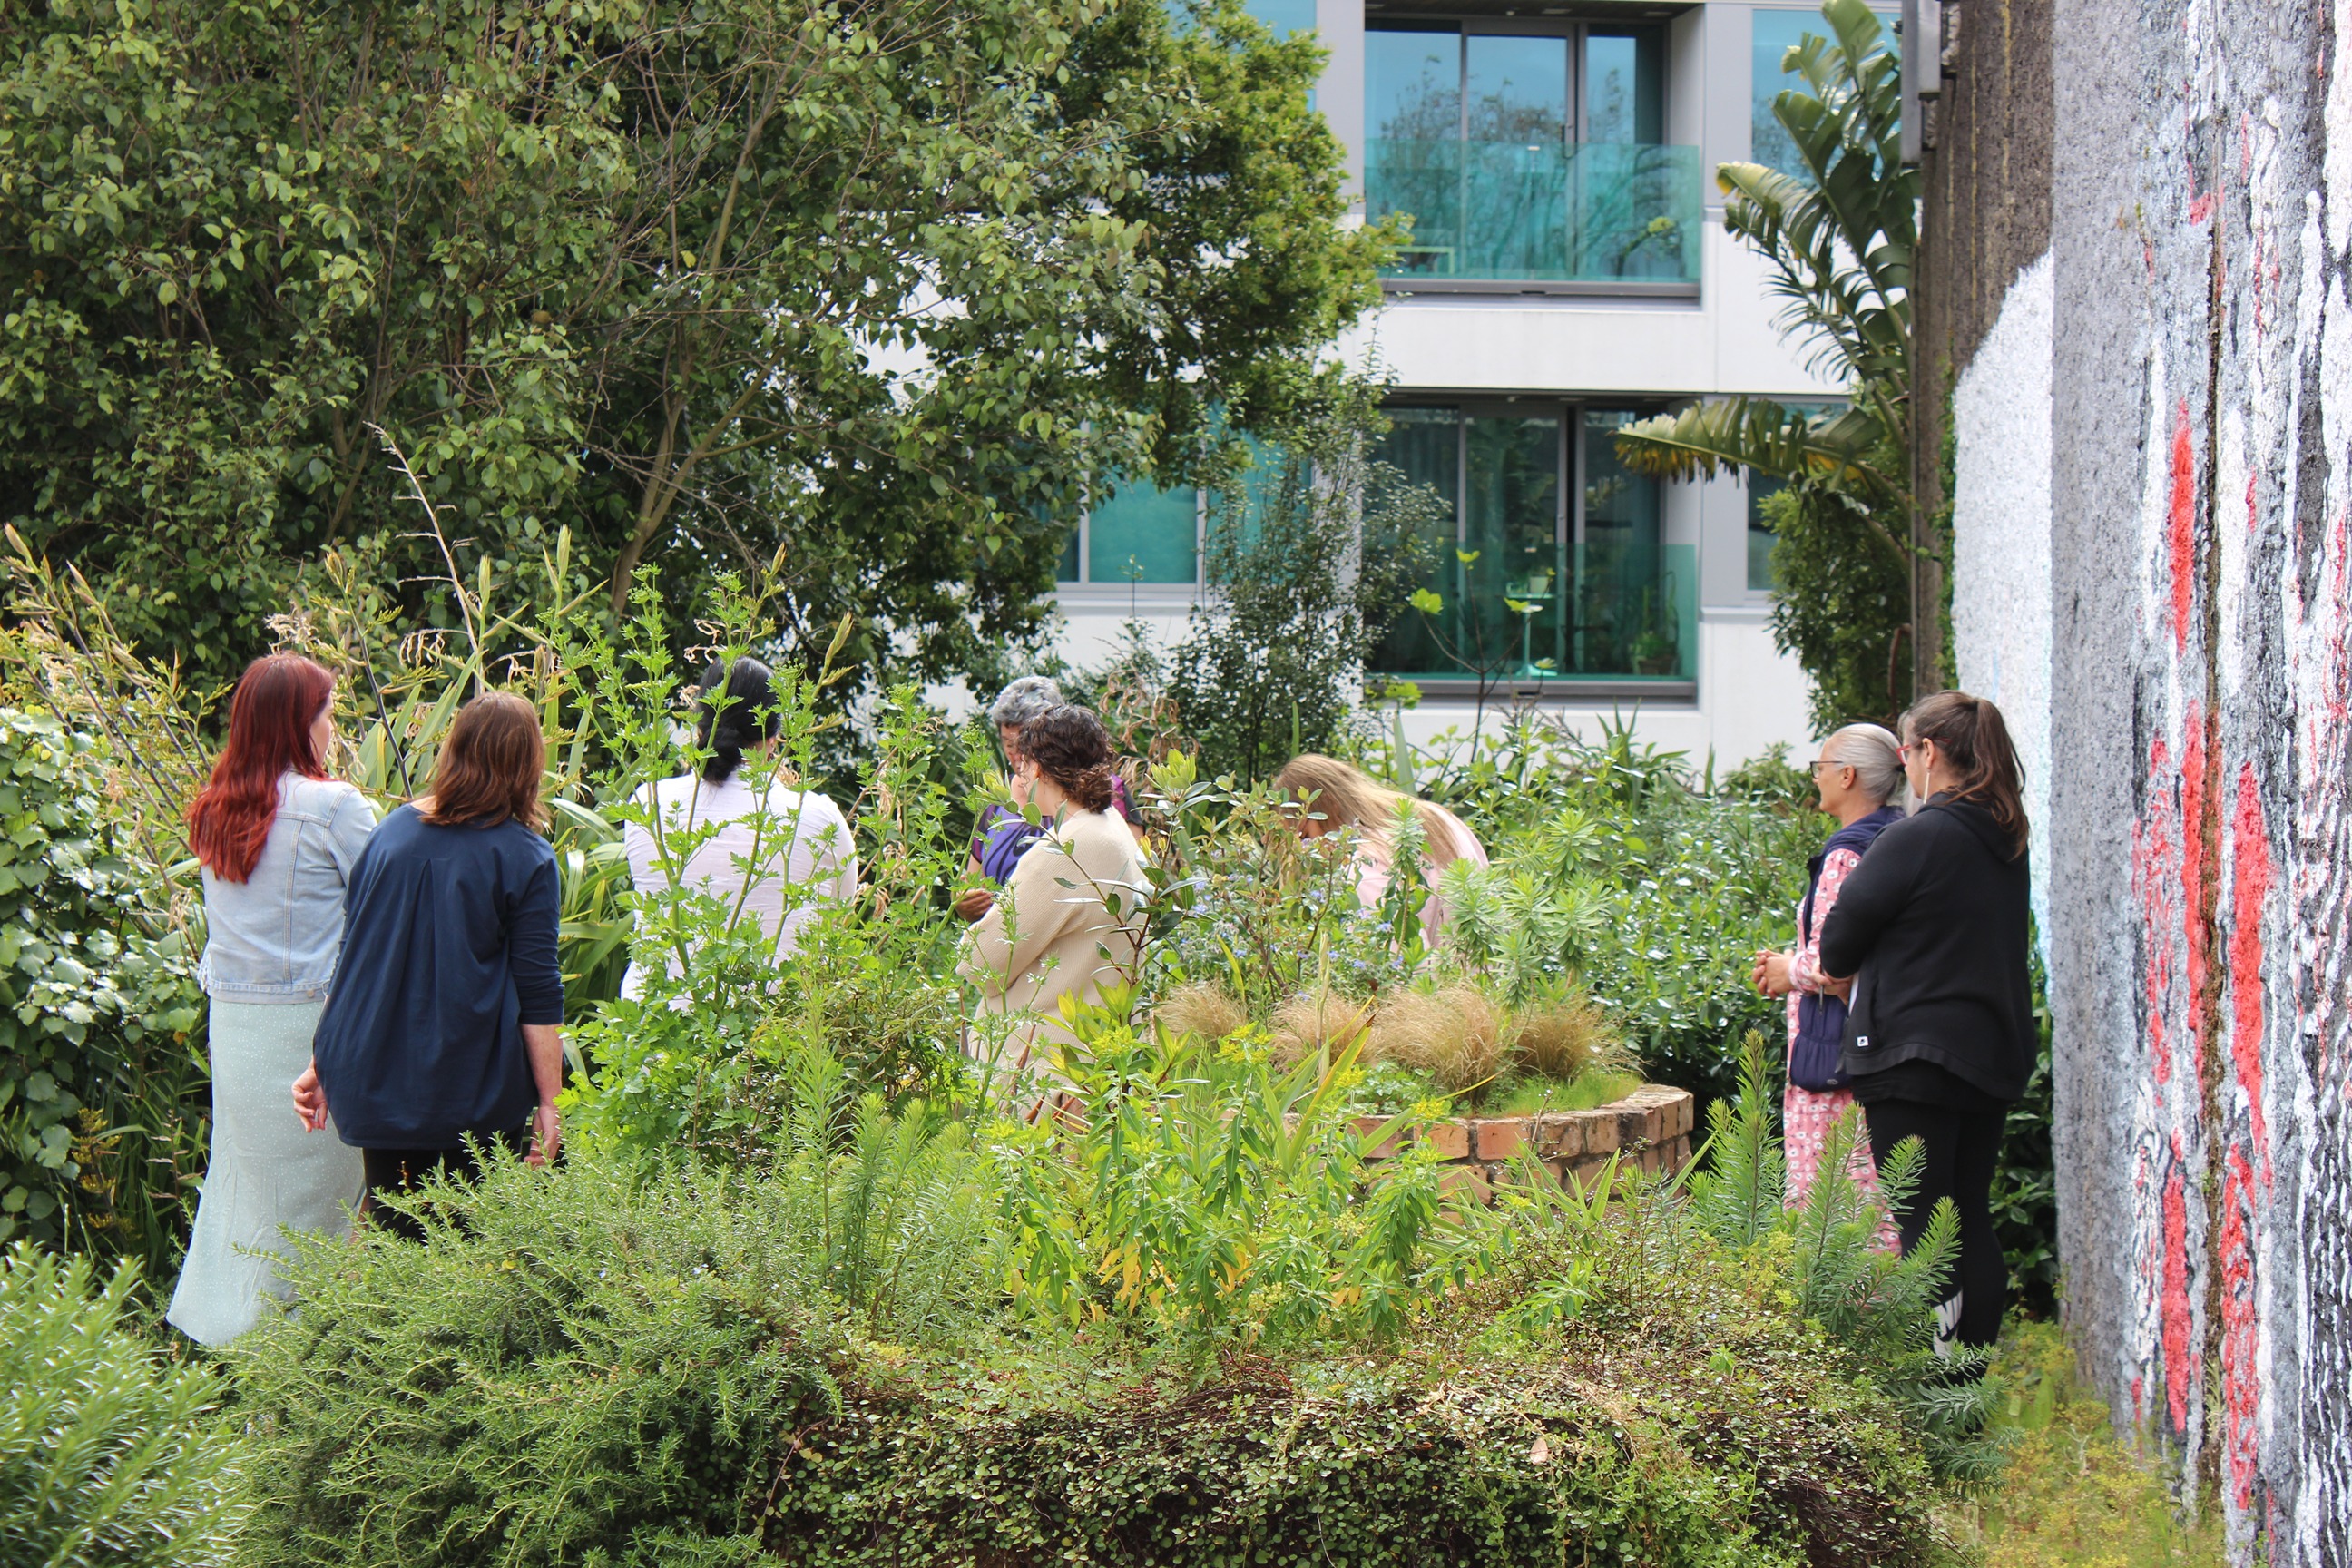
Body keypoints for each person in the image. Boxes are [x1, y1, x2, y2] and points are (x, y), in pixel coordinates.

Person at [295, 691, 564, 1240]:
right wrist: (551, 1103)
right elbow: (539, 993)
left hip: (377, 1080)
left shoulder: (390, 834)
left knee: (397, 1244)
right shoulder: (526, 857)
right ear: (527, 764)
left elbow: (355, 958)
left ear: (454, 749)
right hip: (472, 1090)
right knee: (474, 1256)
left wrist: (324, 1060)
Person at [1818, 691, 2034, 1357]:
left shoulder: (1916, 836)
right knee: (1968, 1217)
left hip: (1911, 1060)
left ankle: (1933, 1384)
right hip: (1987, 1054)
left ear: (1930, 753)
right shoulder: (2006, 837)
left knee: (1922, 1225)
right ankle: (1966, 1382)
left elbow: (1837, 945)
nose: (1905, 764)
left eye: (1907, 750)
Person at [167, 655, 375, 1344]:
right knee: (324, 1212)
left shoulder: (214, 808)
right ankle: (301, 1366)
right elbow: (391, 904)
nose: (332, 727)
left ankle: (247, 1348)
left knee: (254, 1199)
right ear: (297, 722)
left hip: (235, 1031)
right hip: (311, 1034)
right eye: (327, 713)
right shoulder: (333, 807)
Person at [620, 658, 858, 997]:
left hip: (652, 1020)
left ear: (699, 725)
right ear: (774, 739)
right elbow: (839, 917)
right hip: (778, 1023)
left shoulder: (648, 803)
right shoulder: (819, 818)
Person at [958, 705, 1149, 1107]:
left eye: (1023, 763)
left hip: (1043, 1077)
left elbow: (982, 963)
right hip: (1097, 1061)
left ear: (1038, 768)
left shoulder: (1065, 849)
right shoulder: (1113, 828)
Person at [1750, 724, 1906, 1206]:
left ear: (1847, 775)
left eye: (1820, 767)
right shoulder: (1898, 836)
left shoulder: (1845, 855)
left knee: (1832, 1202)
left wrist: (1787, 970)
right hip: (1886, 1044)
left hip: (1836, 1056)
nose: (1815, 778)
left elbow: (1834, 960)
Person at [956, 675, 1143, 921]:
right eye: (1008, 744)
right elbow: (972, 884)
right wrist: (963, 904)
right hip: (1005, 936)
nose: (1017, 755)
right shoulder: (998, 800)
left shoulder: (1106, 792)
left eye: (1023, 744)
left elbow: (1135, 881)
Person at [1270, 754, 1488, 939]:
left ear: (1329, 805)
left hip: (1442, 976)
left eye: (1305, 836)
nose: (1305, 851)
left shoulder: (1362, 868)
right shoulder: (1437, 816)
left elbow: (1404, 962)